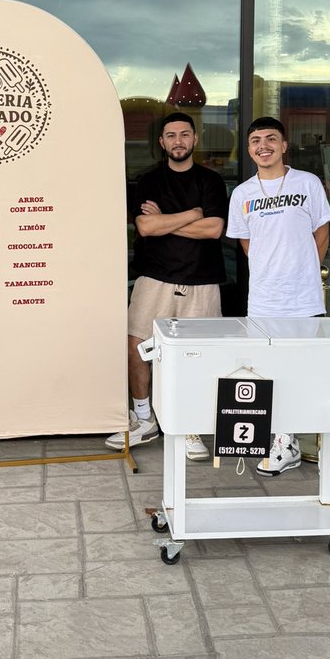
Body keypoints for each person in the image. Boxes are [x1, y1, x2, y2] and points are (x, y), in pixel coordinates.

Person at [227, 117, 330, 491]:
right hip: (263, 302)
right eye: (255, 140)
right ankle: (284, 444)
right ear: (249, 149)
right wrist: (272, 270)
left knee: (317, 375)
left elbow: (321, 235)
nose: (263, 146)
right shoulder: (242, 193)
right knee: (271, 374)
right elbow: (247, 243)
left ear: (284, 145)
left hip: (304, 300)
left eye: (270, 139)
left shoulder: (306, 183)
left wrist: (303, 272)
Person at [106, 112, 228, 460]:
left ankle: (190, 427)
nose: (178, 141)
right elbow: (145, 227)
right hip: (154, 278)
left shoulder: (211, 180)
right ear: (161, 142)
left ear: (195, 139)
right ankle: (144, 419)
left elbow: (214, 230)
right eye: (171, 135)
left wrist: (165, 221)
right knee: (136, 346)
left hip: (202, 280)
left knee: (199, 356)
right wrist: (192, 214)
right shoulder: (148, 180)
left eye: (184, 134)